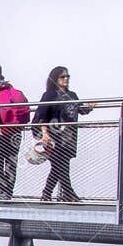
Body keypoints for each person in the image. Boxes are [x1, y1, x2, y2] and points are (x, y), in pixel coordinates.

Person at [31, 66, 96, 202]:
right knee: (59, 164)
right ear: (55, 78)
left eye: (67, 76)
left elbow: (79, 110)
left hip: (68, 137)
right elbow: (42, 114)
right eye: (62, 77)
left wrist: (89, 107)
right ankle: (69, 193)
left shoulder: (72, 95)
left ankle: (46, 194)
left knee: (59, 166)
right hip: (54, 136)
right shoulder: (50, 95)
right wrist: (44, 133)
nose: (66, 79)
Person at [0, 63, 30, 200]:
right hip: (16, 132)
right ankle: (9, 192)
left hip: (1, 132)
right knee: (11, 163)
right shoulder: (10, 87)